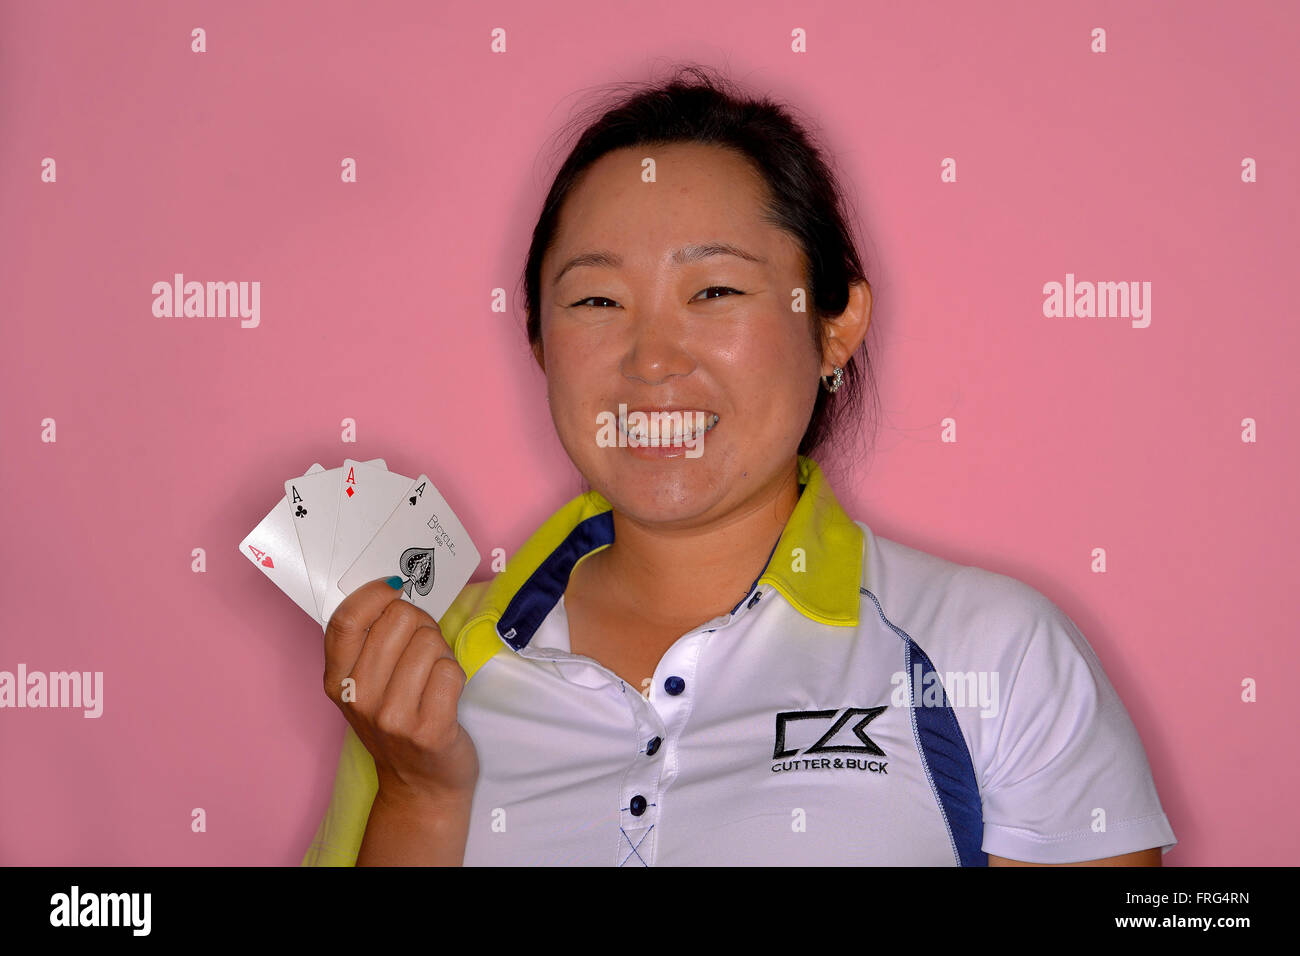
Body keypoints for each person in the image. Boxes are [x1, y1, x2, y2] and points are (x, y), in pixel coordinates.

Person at [302, 64, 1177, 867]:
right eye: (596, 299)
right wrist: (417, 796)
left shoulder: (993, 650)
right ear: (537, 341)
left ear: (834, 326)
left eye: (715, 291)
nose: (651, 359)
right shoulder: (424, 665)